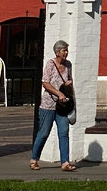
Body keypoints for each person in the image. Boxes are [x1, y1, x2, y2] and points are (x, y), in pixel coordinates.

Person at [30, 39, 76, 171]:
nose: (66, 53)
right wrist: (58, 93)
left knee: (64, 132)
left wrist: (68, 84)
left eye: (66, 50)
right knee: (44, 133)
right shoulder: (50, 64)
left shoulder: (68, 65)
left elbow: (69, 79)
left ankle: (65, 162)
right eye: (63, 50)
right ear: (57, 52)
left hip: (62, 106)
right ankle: (34, 159)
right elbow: (45, 82)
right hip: (48, 104)